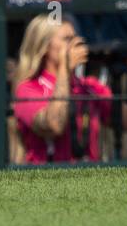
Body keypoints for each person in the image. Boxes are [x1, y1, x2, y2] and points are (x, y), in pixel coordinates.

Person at [12, 13, 113, 164]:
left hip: (90, 179)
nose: (76, 44)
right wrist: (64, 69)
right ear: (44, 46)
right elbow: (53, 125)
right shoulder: (28, 89)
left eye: (75, 38)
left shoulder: (90, 86)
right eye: (67, 39)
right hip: (47, 181)